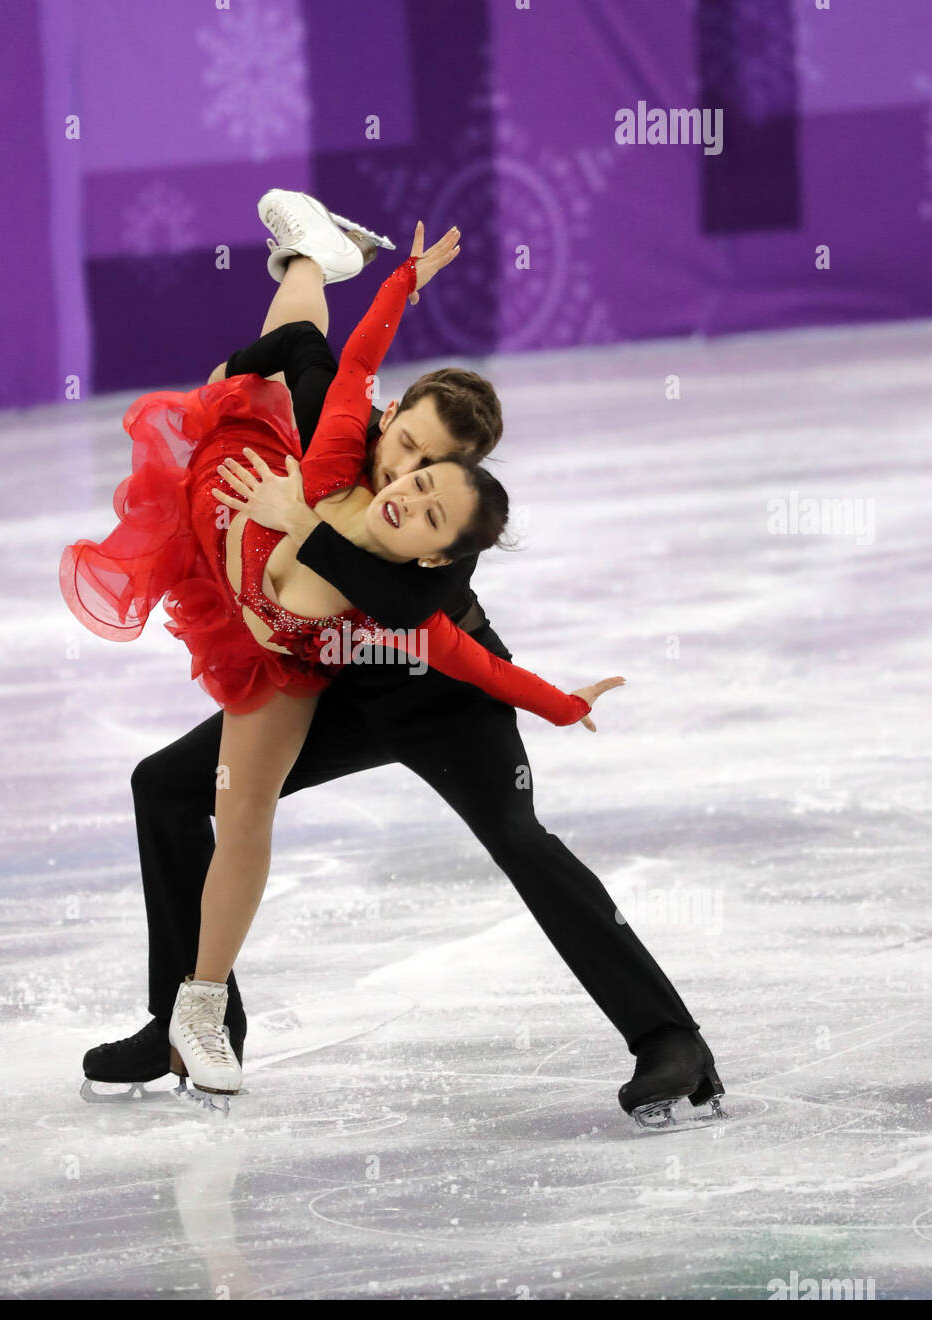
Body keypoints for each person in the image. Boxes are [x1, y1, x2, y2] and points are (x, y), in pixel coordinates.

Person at [80, 190, 724, 1127]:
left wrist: (551, 701)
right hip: (331, 685)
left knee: (517, 839)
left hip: (437, 691)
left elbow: (426, 631)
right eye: (402, 443)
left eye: (428, 468)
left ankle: (669, 1040)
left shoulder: (432, 550)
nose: (399, 474)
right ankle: (180, 1019)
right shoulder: (343, 428)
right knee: (166, 789)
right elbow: (311, 346)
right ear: (391, 417)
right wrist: (336, 278)